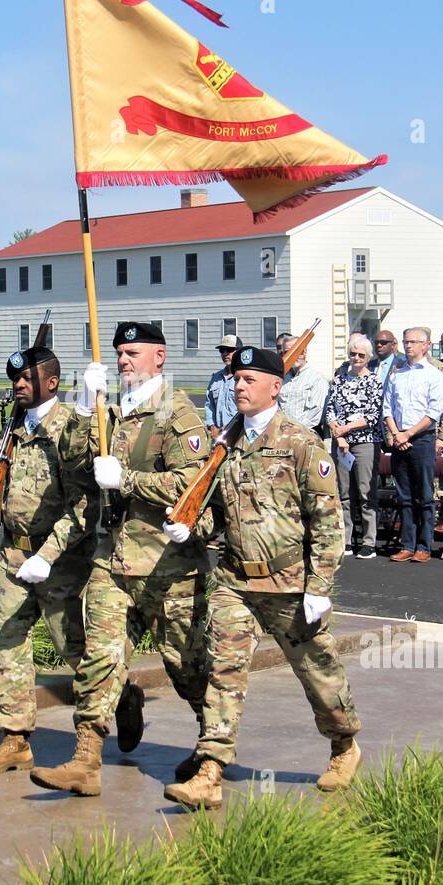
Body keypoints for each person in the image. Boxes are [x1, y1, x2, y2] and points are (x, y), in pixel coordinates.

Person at [160, 345, 360, 809]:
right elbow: (217, 515)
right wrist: (189, 526)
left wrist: (321, 587)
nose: (239, 386)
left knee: (317, 673)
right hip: (234, 581)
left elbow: (328, 521)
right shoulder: (224, 445)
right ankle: (210, 771)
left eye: (250, 379)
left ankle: (344, 745)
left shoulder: (301, 442)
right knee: (224, 672)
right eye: (236, 378)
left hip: (289, 583)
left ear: (276, 386)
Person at [29, 322, 210, 797]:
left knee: (186, 666)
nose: (124, 360)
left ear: (160, 358)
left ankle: (212, 747)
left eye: (134, 352)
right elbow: (70, 461)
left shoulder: (178, 414)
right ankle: (85, 760)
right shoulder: (110, 411)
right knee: (99, 658)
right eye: (120, 354)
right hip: (113, 560)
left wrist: (127, 480)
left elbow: (193, 488)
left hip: (166, 563)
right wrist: (86, 408)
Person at [0, 346, 99, 774]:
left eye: (26, 379)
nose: (18, 386)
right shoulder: (14, 427)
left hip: (58, 560)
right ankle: (16, 738)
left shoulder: (71, 431)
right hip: (12, 554)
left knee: (74, 649)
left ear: (52, 382)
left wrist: (48, 555)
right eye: (15, 380)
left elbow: (83, 504)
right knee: (7, 644)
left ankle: (112, 709)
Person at [383, 327, 443, 562]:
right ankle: (407, 544)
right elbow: (387, 408)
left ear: (426, 345)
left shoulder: (434, 375)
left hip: (422, 438)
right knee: (404, 495)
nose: (408, 346)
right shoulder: (396, 374)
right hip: (398, 438)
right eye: (406, 341)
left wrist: (408, 434)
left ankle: (424, 545)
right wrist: (396, 433)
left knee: (425, 494)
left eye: (413, 342)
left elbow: (433, 412)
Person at [325, 334, 383, 558]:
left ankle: (369, 541)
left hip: (365, 441)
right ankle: (346, 539)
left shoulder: (373, 381)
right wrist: (338, 435)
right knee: (344, 493)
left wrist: (345, 429)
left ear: (368, 357)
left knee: (366, 491)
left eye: (361, 355)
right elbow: (330, 410)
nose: (356, 358)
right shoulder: (339, 379)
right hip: (341, 443)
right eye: (353, 354)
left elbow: (371, 414)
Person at [278, 336, 329, 432]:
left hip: (306, 436)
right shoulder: (281, 379)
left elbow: (315, 414)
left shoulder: (317, 379)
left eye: (296, 351)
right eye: (286, 352)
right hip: (282, 435)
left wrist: (292, 430)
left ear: (304, 352)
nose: (291, 356)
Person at [205, 333, 241, 439]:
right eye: (222, 350)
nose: (225, 353)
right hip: (218, 436)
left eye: (229, 350)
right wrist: (212, 426)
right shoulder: (216, 378)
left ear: (239, 352)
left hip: (237, 435)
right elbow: (209, 404)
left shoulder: (244, 378)